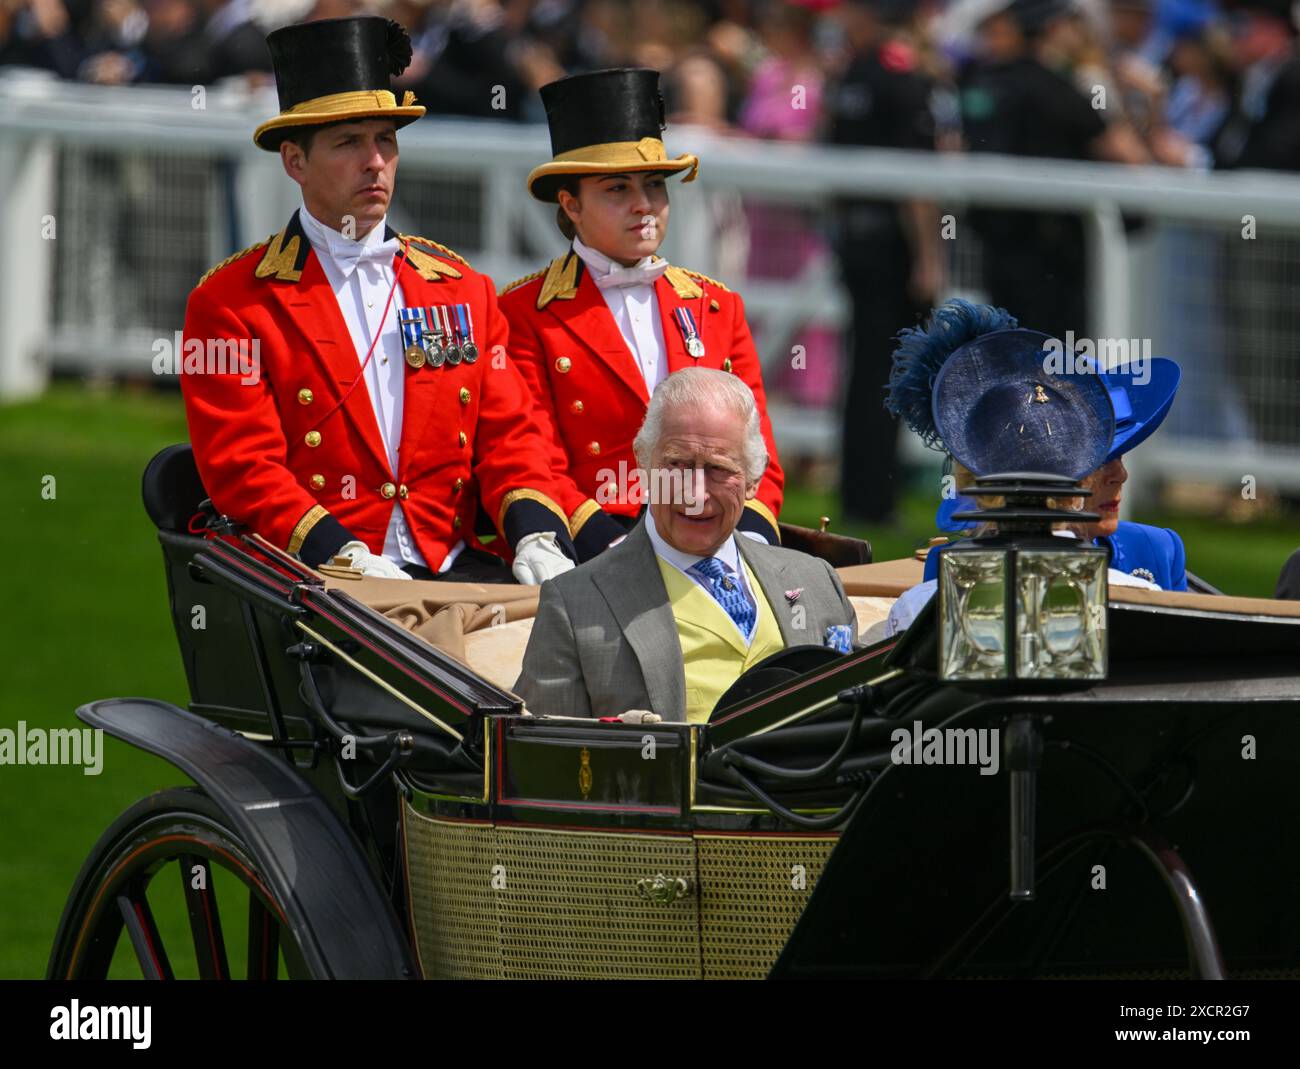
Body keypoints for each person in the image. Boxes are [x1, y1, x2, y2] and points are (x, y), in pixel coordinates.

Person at [179, 14, 577, 585]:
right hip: (319, 577)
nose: (375, 162)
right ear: (295, 161)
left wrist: (536, 533)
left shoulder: (462, 289)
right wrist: (342, 556)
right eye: (348, 143)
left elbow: (512, 435)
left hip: (453, 565)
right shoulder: (231, 303)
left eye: (385, 140)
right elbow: (243, 468)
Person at [497, 67, 786, 563]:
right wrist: (606, 546)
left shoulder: (716, 307)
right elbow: (534, 454)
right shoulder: (523, 312)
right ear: (571, 204)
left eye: (655, 185)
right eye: (617, 190)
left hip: (710, 539)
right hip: (590, 546)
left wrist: (749, 547)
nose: (644, 206)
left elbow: (758, 456)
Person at [514, 368, 857, 724]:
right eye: (676, 465)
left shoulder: (817, 582)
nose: (694, 494)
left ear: (754, 477)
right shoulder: (575, 606)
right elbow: (547, 761)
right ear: (643, 463)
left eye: (718, 469)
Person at [880, 299, 1188, 635]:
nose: (1120, 475)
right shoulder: (947, 580)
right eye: (1100, 460)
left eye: (1121, 454)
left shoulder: (1152, 562)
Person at [824, 0, 944, 526]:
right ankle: (877, 499)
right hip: (892, 248)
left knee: (862, 370)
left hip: (854, 239)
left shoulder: (851, 74)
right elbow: (915, 180)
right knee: (890, 371)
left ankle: (857, 494)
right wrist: (929, 258)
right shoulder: (904, 79)